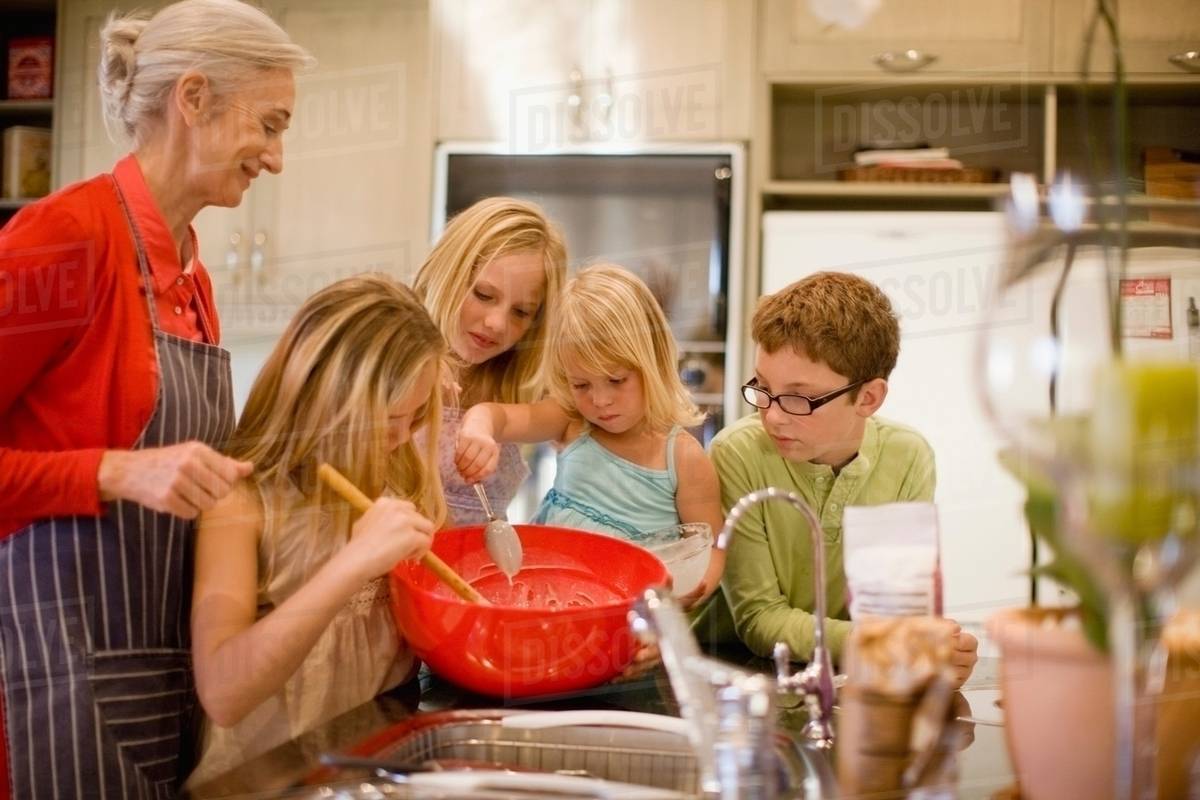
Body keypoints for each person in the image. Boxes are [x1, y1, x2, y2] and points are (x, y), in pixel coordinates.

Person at [0, 1, 310, 795]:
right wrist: (112, 472)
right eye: (269, 125)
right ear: (195, 99)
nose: (276, 158)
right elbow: (129, 470)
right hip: (45, 685)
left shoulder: (192, 274)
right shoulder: (65, 238)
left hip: (159, 684)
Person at [187, 275, 444, 786]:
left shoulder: (402, 476)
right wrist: (352, 565)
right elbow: (223, 694)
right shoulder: (241, 501)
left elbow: (443, 612)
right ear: (329, 400)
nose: (402, 438)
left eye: (416, 417)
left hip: (366, 767)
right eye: (391, 418)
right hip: (261, 781)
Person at [693, 271, 979, 687]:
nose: (771, 415)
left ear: (868, 398)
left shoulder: (909, 458)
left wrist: (933, 648)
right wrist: (884, 642)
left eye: (798, 398)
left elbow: (895, 611)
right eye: (764, 387)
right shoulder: (737, 453)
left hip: (839, 677)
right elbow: (759, 620)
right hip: (732, 674)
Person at [457, 264, 726, 609]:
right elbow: (504, 418)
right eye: (581, 384)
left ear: (653, 363)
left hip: (628, 615)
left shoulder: (683, 458)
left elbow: (713, 544)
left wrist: (691, 590)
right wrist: (479, 424)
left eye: (616, 380)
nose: (599, 401)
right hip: (550, 599)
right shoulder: (573, 421)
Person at [411, 197, 567, 526]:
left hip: (477, 572)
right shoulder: (390, 354)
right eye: (483, 294)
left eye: (521, 312)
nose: (497, 323)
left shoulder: (524, 387)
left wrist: (488, 418)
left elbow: (567, 415)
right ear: (447, 271)